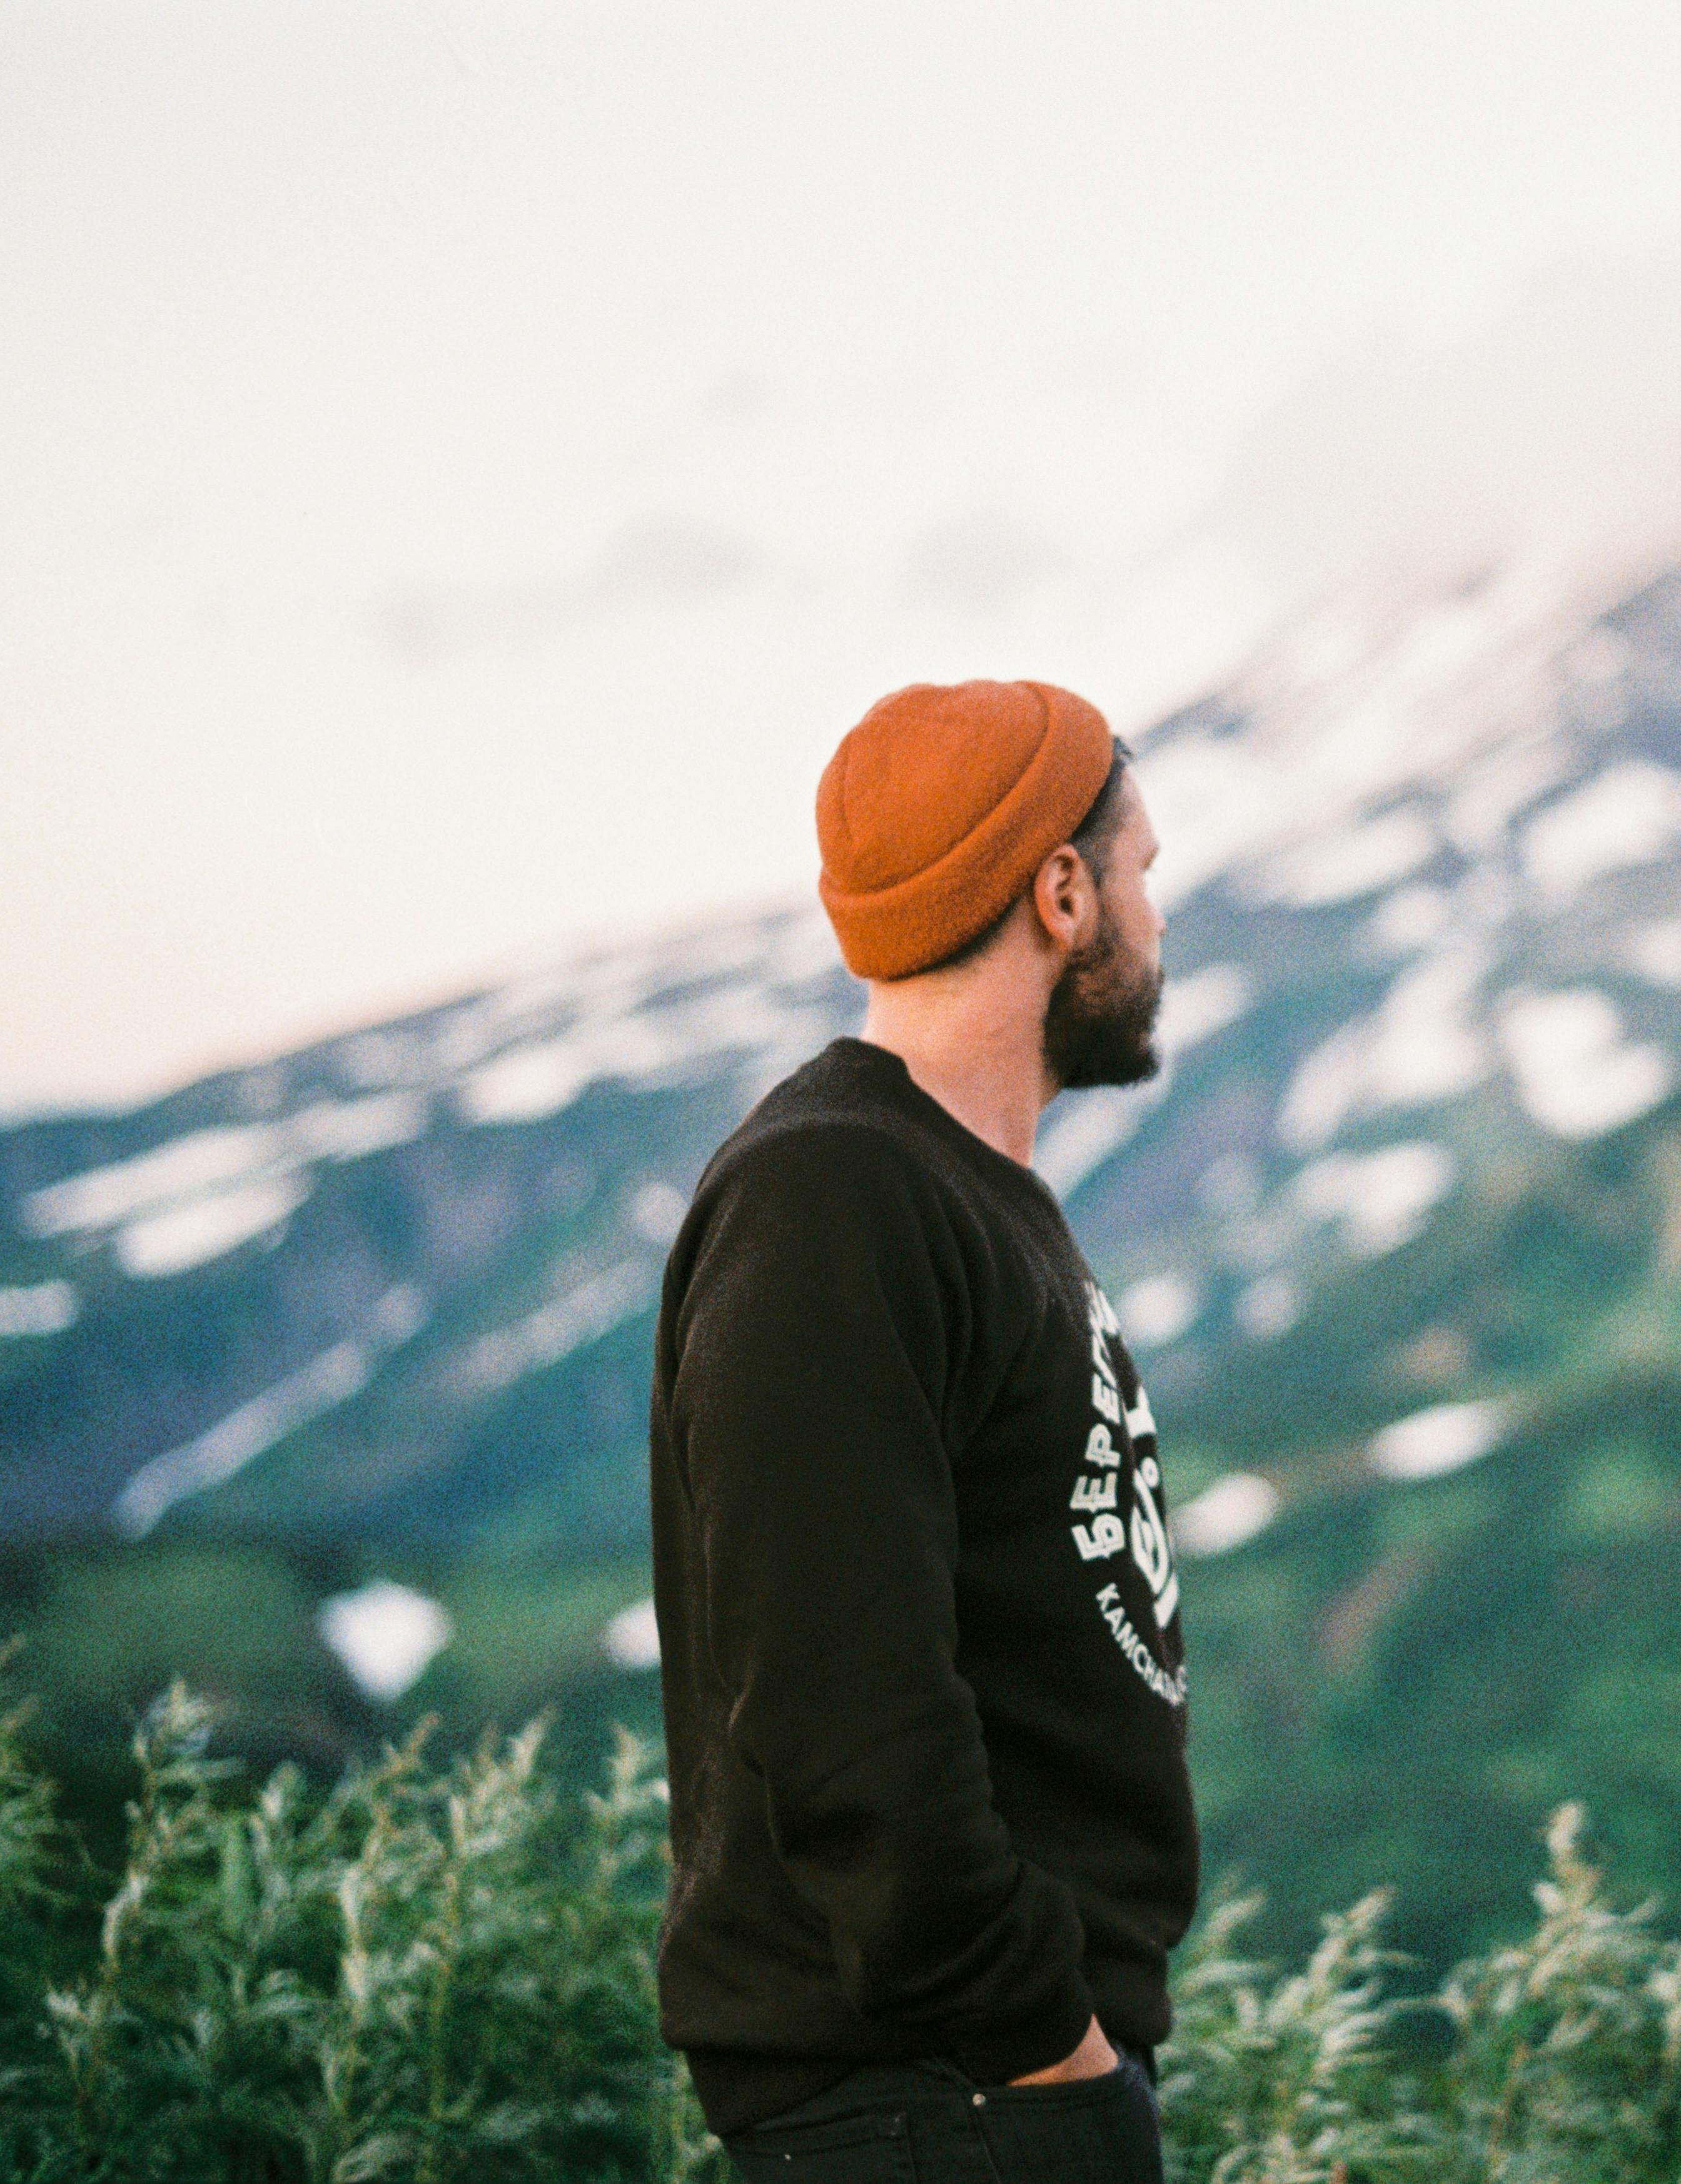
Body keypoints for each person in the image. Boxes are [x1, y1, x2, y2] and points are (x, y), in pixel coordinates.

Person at [647, 678, 1194, 2183]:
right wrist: (1043, 2045)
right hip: (936, 2103)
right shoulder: (832, 1198)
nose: (1155, 919)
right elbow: (839, 1706)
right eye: (1141, 872)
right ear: (1061, 892)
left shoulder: (943, 1191)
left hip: (978, 2091)